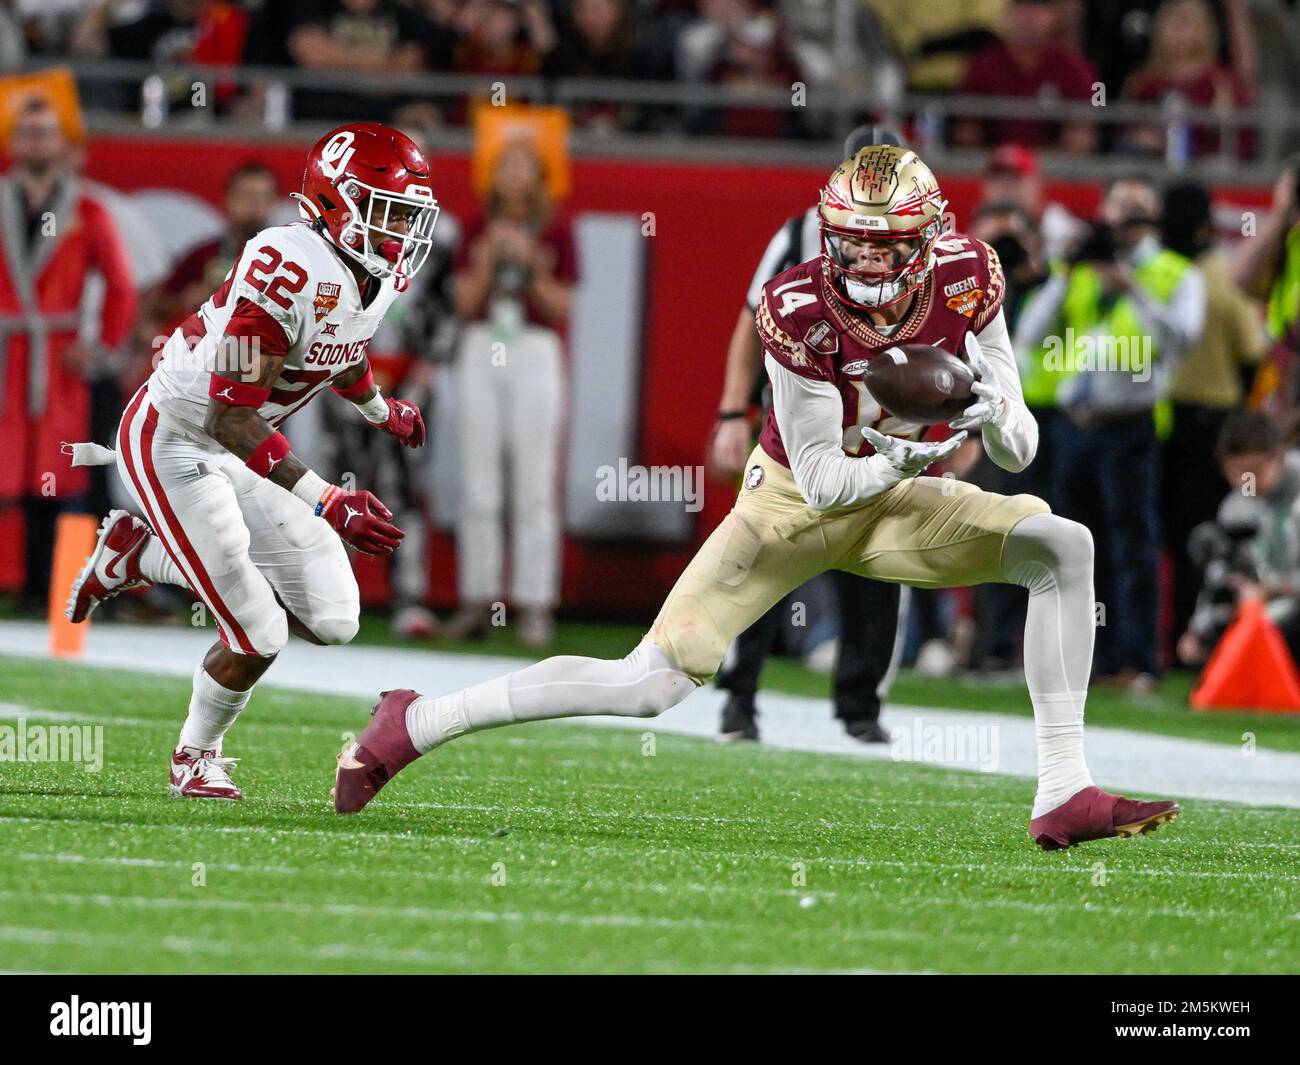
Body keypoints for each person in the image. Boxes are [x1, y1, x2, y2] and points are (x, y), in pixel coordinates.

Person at [334, 144, 1181, 852]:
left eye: (885, 247)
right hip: (790, 508)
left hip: (891, 500)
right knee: (647, 684)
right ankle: (418, 720)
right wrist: (913, 444)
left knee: (1063, 544)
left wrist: (993, 406)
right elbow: (824, 481)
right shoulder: (800, 304)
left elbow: (1019, 449)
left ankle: (1065, 785)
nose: (865, 264)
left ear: (928, 242)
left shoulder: (970, 273)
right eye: (849, 244)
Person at [63, 123, 437, 800]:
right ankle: (193, 758)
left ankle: (135, 556)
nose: (400, 230)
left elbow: (338, 348)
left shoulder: (368, 276)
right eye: (387, 210)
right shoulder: (283, 267)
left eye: (408, 215)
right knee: (259, 629)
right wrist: (328, 499)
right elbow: (227, 415)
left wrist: (382, 410)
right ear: (333, 202)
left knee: (334, 616)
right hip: (175, 439)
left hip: (241, 447)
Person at [707, 123, 907, 745]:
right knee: (767, 549)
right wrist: (731, 412)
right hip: (797, 419)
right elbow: (751, 317)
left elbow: (944, 340)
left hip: (877, 422)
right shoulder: (799, 232)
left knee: (878, 558)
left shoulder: (924, 245)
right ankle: (739, 697)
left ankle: (861, 706)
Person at [1015, 173, 1205, 691]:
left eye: (1134, 208)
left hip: (1130, 427)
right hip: (1076, 427)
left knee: (1132, 546)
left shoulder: (1173, 274)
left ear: (1151, 219)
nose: (1122, 220)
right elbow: (1030, 336)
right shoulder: (1080, 268)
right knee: (1074, 548)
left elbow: (1181, 341)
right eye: (1116, 208)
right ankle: (1084, 661)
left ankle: (1138, 659)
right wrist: (1064, 269)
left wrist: (1135, 290)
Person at [0, 95, 136, 613]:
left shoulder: (88, 208)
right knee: (15, 472)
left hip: (58, 362)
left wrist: (100, 349)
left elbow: (121, 286)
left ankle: (65, 590)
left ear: (63, 144)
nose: (36, 143)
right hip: (8, 356)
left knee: (61, 476)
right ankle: (32, 588)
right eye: (27, 133)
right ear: (13, 143)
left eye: (45, 133)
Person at [443, 139, 577, 649]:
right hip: (483, 343)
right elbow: (464, 302)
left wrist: (534, 266)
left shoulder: (557, 227)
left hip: (535, 346)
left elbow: (560, 307)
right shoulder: (476, 225)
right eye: (507, 167)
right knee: (479, 479)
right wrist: (485, 260)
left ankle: (534, 603)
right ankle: (477, 599)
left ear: (540, 177)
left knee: (535, 481)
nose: (515, 177)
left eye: (525, 166)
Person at [1159, 180, 1267, 651]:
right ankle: (1197, 639)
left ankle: (1163, 644)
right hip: (1214, 426)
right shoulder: (1224, 277)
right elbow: (1253, 353)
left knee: (1163, 537)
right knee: (1206, 538)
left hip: (1161, 421)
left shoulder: (1155, 273)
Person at [1179, 410, 1300, 668]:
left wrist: (1270, 591)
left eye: (1253, 471)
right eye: (1236, 474)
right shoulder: (1236, 505)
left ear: (1277, 457)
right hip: (1262, 606)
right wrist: (1198, 630)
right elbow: (1219, 577)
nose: (1246, 482)